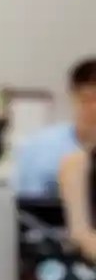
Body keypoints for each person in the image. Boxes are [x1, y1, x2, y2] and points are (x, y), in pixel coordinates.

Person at [12, 58, 96, 198]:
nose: (94, 108)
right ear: (73, 97)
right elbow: (29, 210)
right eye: (87, 99)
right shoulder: (40, 148)